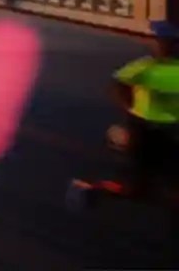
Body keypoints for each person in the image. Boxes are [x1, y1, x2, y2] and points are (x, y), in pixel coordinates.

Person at [69, 20, 179, 210]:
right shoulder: (145, 67)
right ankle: (89, 189)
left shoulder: (154, 67)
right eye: (158, 41)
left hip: (170, 129)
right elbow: (118, 84)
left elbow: (118, 85)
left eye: (160, 41)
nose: (156, 44)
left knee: (164, 184)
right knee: (138, 188)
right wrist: (129, 108)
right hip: (145, 129)